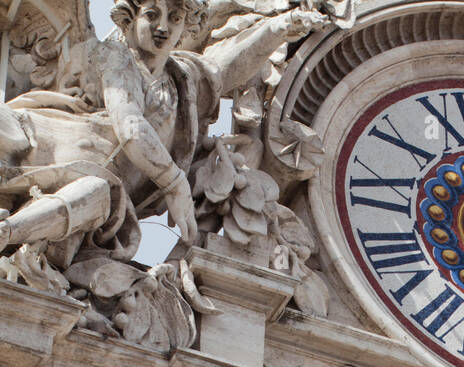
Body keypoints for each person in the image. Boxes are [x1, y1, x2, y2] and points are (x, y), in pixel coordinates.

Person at [0, 0, 331, 261]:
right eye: (152, 15)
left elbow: (225, 70)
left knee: (98, 195)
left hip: (96, 184)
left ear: (186, 26)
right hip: (33, 142)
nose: (162, 27)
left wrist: (279, 27)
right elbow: (130, 126)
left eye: (174, 18)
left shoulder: (179, 80)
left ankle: (8, 231)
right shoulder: (116, 56)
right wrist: (176, 185)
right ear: (130, 19)